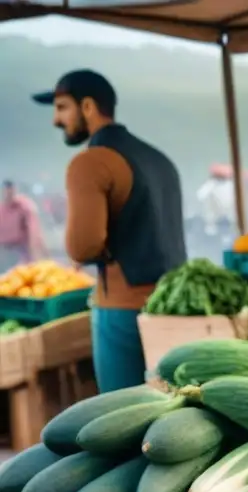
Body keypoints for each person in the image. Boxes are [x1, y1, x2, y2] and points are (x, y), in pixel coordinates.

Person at [33, 69, 187, 392]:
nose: (56, 120)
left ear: (88, 106)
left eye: (62, 108)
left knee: (122, 411)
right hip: (174, 304)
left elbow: (81, 247)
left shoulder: (90, 163)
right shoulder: (159, 159)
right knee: (172, 406)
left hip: (122, 309)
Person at [0, 180, 46, 271]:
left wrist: (36, 251)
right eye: (5, 191)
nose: (7, 194)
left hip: (21, 249)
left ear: (14, 190)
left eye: (10, 191)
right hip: (4, 249)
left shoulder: (24, 206)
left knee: (21, 272)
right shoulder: (2, 208)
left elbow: (33, 230)